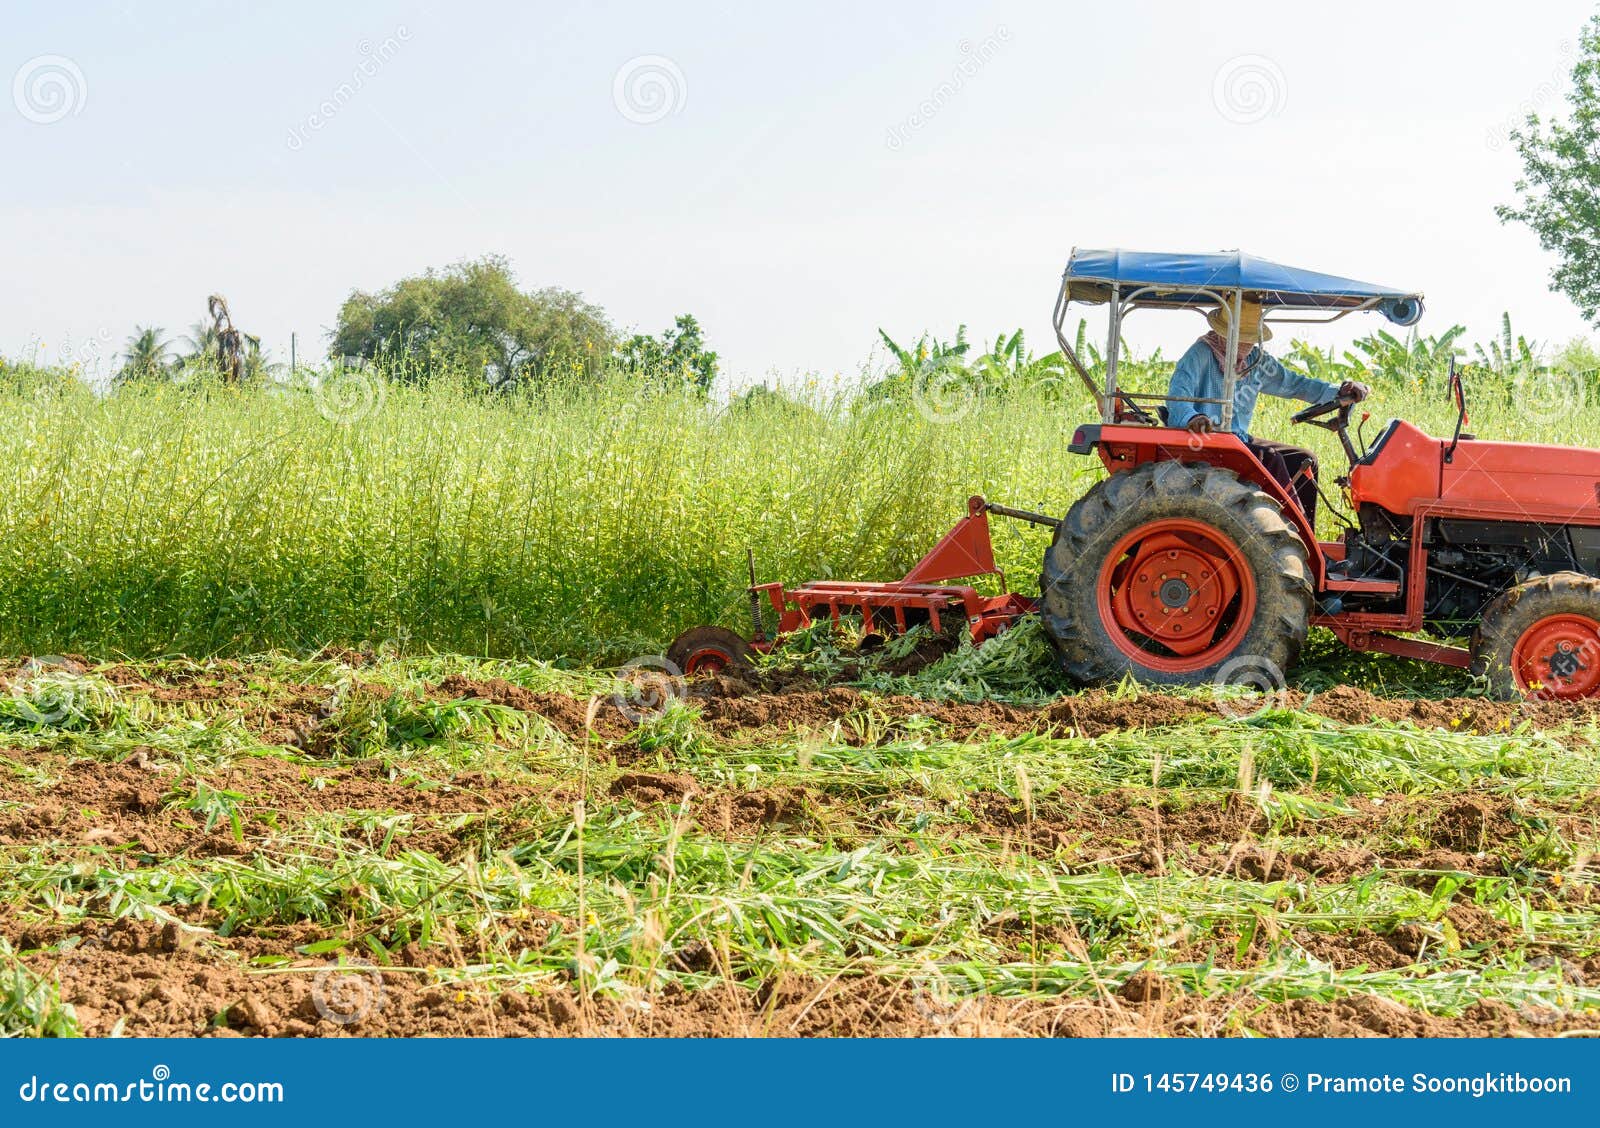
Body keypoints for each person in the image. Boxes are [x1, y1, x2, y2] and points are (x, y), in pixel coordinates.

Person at [1165, 299, 1369, 526]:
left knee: (1304, 459)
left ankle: (1307, 535)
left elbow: (1296, 384)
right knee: (1270, 459)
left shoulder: (1255, 361)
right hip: (1209, 442)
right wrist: (1192, 418)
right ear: (1223, 332)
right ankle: (1295, 530)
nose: (1246, 344)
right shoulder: (1199, 355)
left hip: (1238, 439)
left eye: (1250, 338)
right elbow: (1177, 397)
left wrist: (1339, 392)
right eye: (1241, 337)